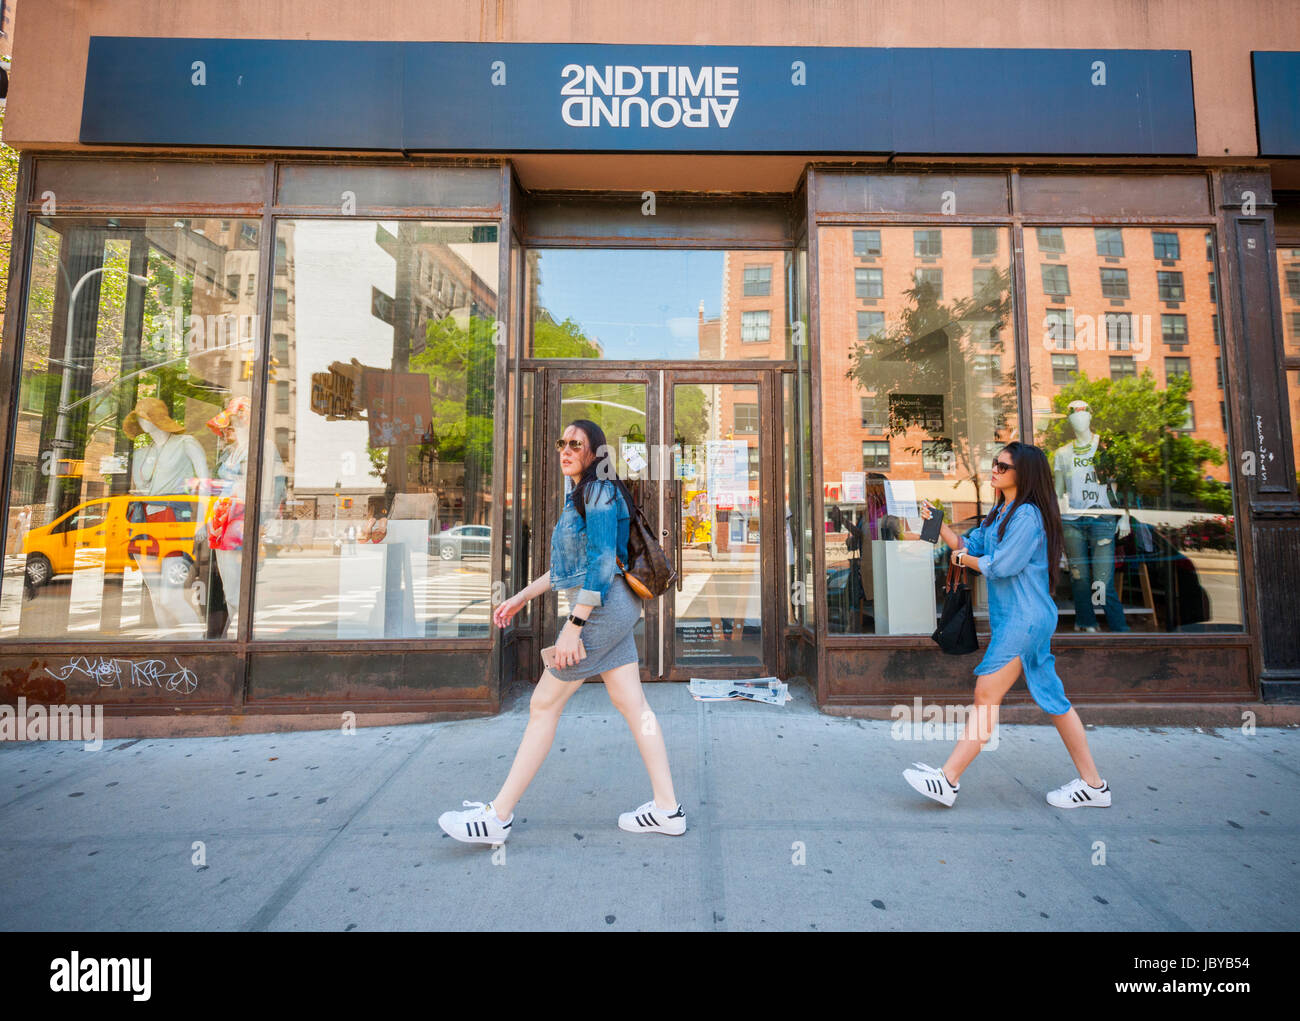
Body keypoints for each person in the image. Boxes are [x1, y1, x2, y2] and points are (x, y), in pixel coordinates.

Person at [438, 418, 684, 845]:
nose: (566, 450)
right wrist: (521, 597)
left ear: (595, 453)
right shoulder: (584, 494)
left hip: (602, 611)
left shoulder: (599, 491)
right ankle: (668, 810)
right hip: (611, 611)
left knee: (544, 704)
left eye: (577, 444)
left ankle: (497, 817)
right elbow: (567, 569)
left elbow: (603, 565)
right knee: (633, 704)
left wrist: (573, 627)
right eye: (562, 443)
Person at [903, 441, 1112, 810]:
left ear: (1024, 475)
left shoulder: (1027, 516)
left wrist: (964, 558)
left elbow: (1000, 566)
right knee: (1054, 700)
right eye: (994, 464)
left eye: (1002, 466)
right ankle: (1094, 785)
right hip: (1021, 618)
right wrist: (937, 523)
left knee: (986, 695)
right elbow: (970, 545)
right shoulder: (1002, 512)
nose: (994, 470)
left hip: (1024, 619)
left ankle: (948, 779)